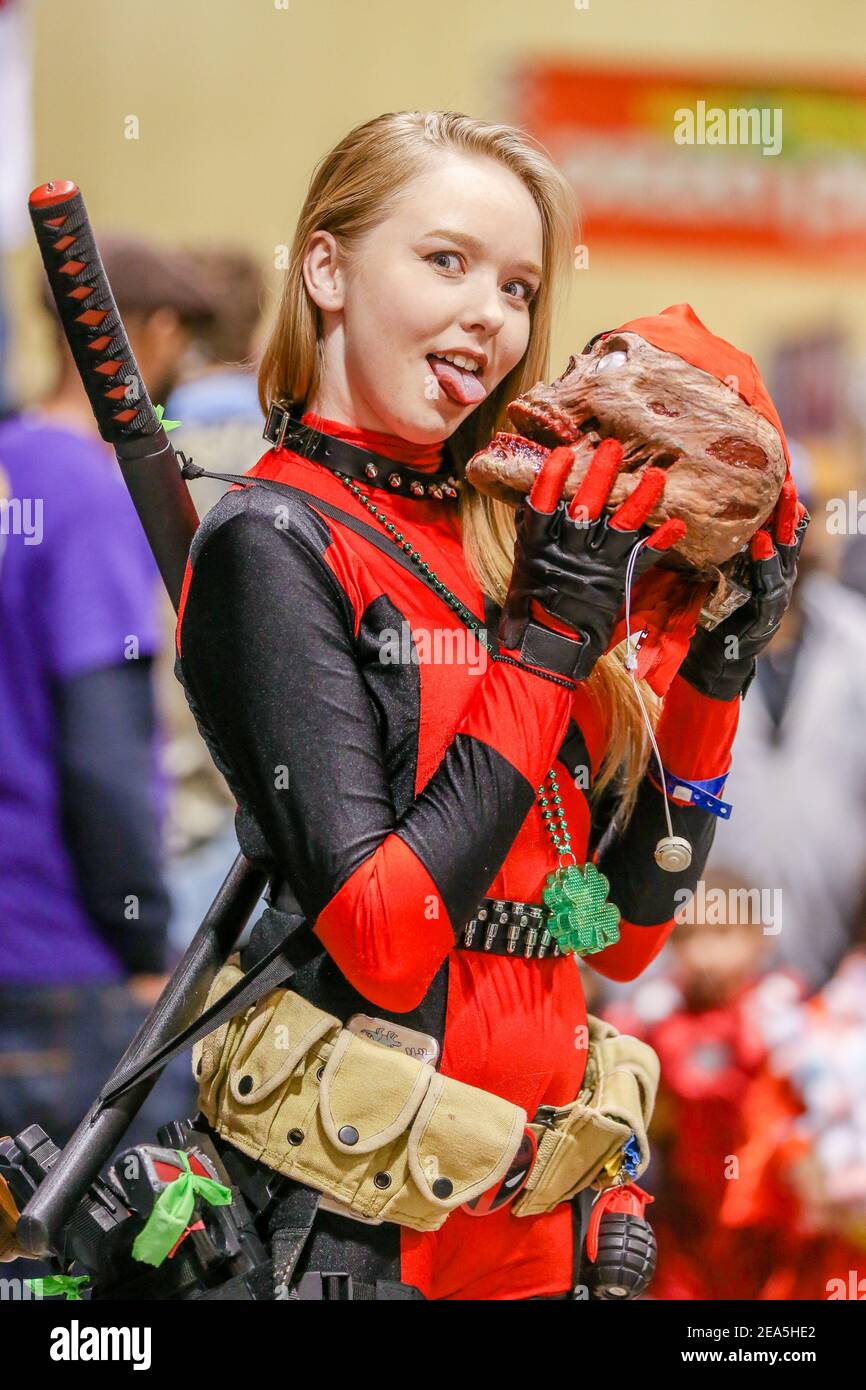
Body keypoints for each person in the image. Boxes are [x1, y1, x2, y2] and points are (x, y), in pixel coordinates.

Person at [129, 111, 805, 1301]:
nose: (492, 314)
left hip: (542, 1217)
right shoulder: (273, 540)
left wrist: (714, 668)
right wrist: (546, 646)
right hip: (359, 1226)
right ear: (326, 271)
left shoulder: (500, 533)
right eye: (445, 261)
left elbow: (617, 932)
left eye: (519, 284)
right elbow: (386, 945)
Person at [0, 235, 214, 1148]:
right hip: (67, 956)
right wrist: (143, 945)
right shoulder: (89, 494)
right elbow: (104, 750)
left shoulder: (12, 466)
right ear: (154, 336)